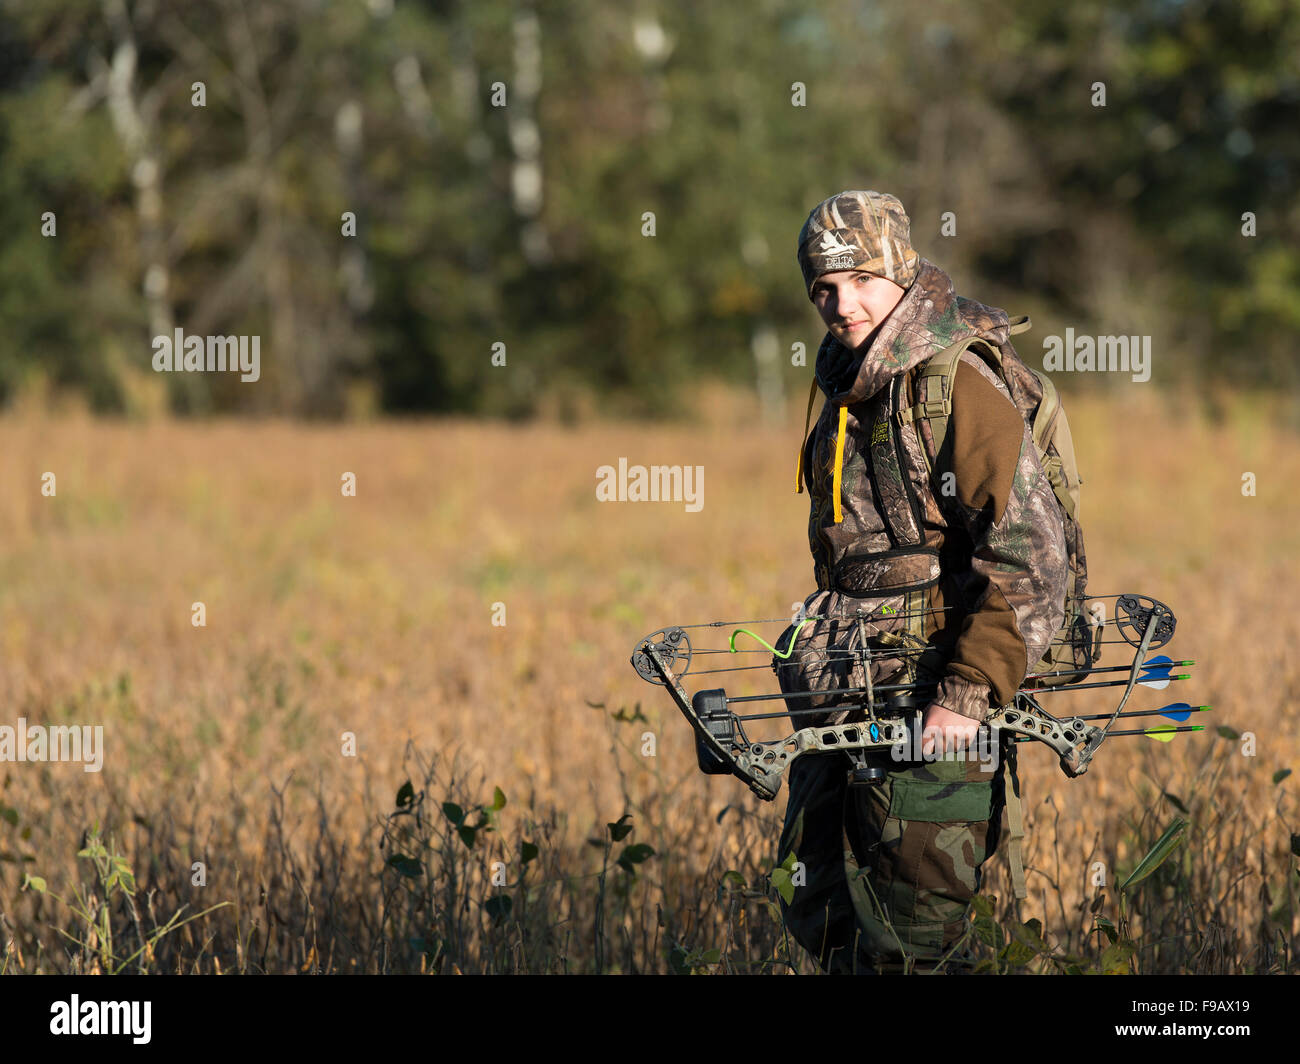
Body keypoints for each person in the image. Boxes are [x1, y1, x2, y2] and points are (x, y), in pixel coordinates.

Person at [776, 190, 1068, 973]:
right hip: (847, 698)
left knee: (915, 942)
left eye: (862, 280)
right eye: (824, 290)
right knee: (823, 917)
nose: (842, 304)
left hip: (935, 697)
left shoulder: (955, 384)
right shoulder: (848, 385)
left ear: (900, 273)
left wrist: (967, 693)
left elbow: (1032, 559)